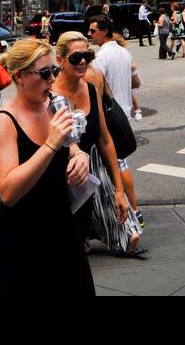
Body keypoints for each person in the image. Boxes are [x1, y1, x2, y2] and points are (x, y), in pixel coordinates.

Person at [0, 38, 94, 297]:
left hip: (62, 229)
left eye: (54, 71)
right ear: (20, 76)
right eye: (44, 73)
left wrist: (80, 157)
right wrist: (50, 145)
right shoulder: (5, 121)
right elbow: (7, 191)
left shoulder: (55, 105)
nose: (51, 79)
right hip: (23, 240)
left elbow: (72, 146)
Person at [53, 31, 134, 252]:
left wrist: (119, 190)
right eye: (75, 57)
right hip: (56, 190)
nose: (82, 62)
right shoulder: (49, 94)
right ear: (59, 60)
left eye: (87, 56)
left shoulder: (89, 88)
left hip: (84, 188)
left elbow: (105, 139)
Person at [89, 15, 144, 230]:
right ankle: (126, 209)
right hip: (123, 114)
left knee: (117, 164)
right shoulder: (124, 52)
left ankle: (133, 210)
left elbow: (96, 87)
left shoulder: (101, 57)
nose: (90, 34)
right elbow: (136, 82)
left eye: (93, 31)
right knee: (118, 163)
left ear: (104, 31)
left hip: (109, 115)